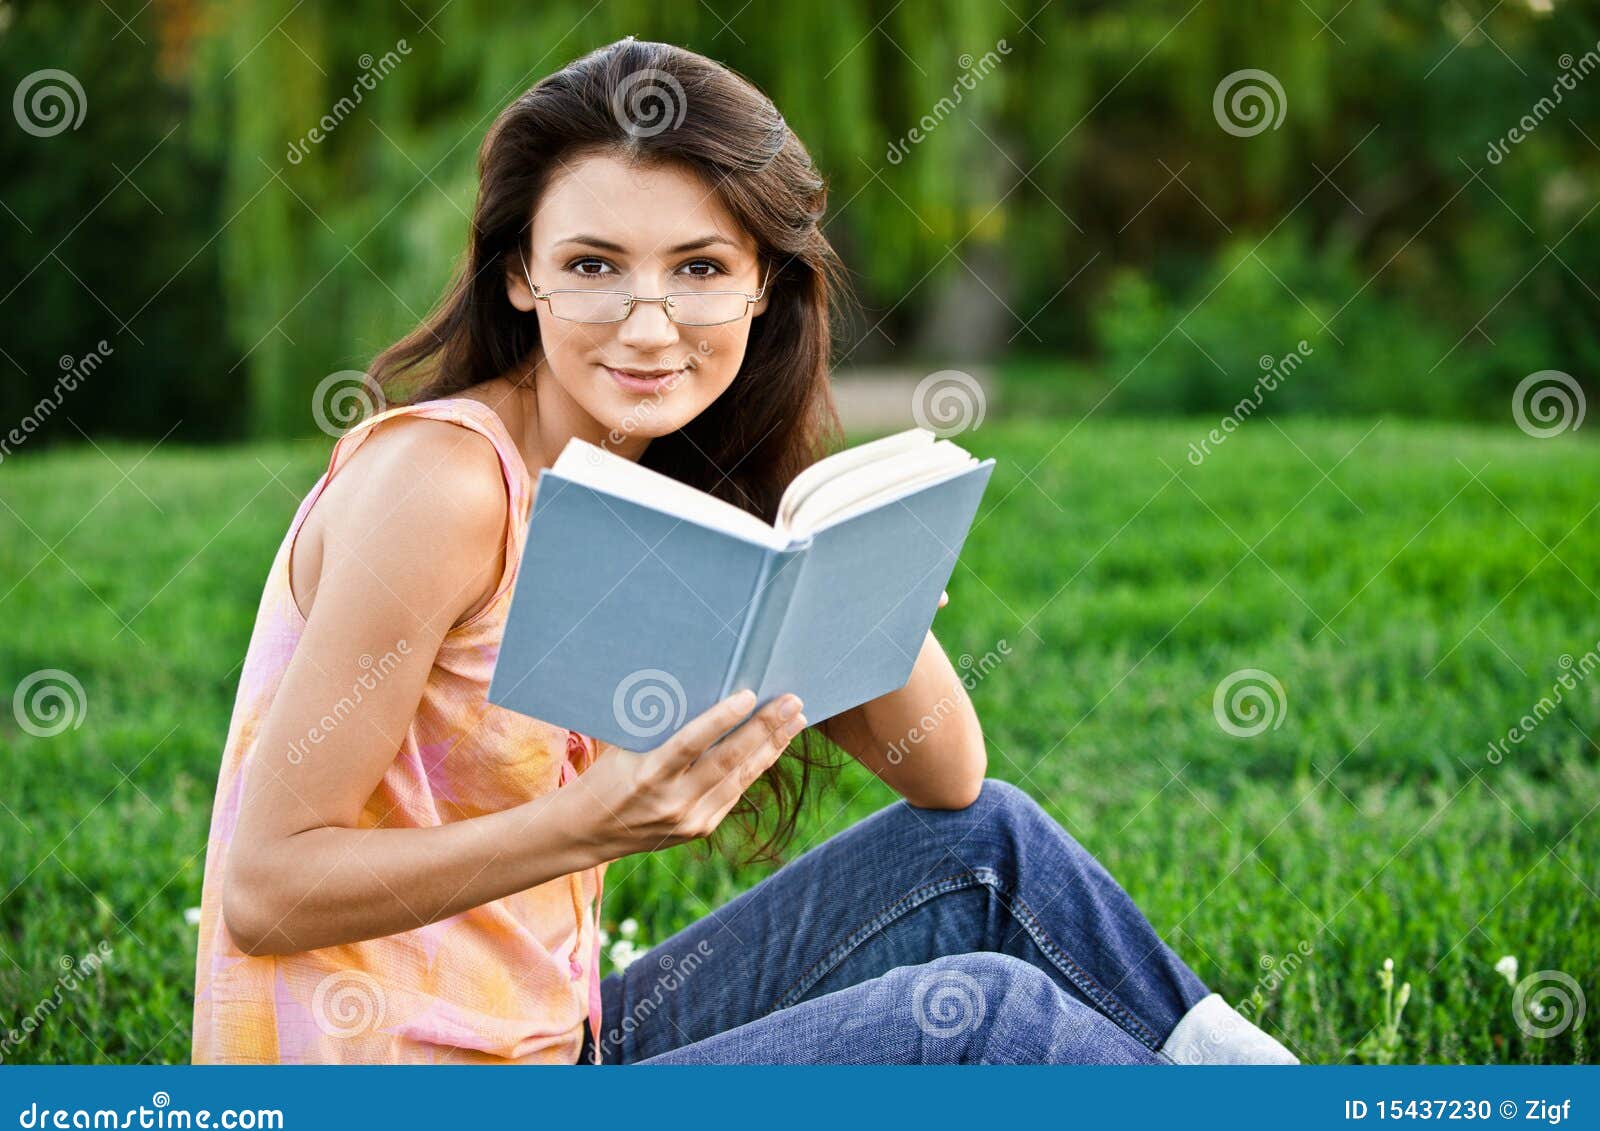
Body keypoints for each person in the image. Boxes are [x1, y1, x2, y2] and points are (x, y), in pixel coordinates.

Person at [191, 36, 1296, 1066]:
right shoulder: (442, 486)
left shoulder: (668, 478)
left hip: (551, 1046)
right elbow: (268, 889)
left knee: (988, 847)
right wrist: (578, 827)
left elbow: (949, 779)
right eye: (592, 265)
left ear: (764, 283)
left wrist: (860, 585)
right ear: (518, 275)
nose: (649, 322)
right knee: (984, 1023)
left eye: (700, 268)